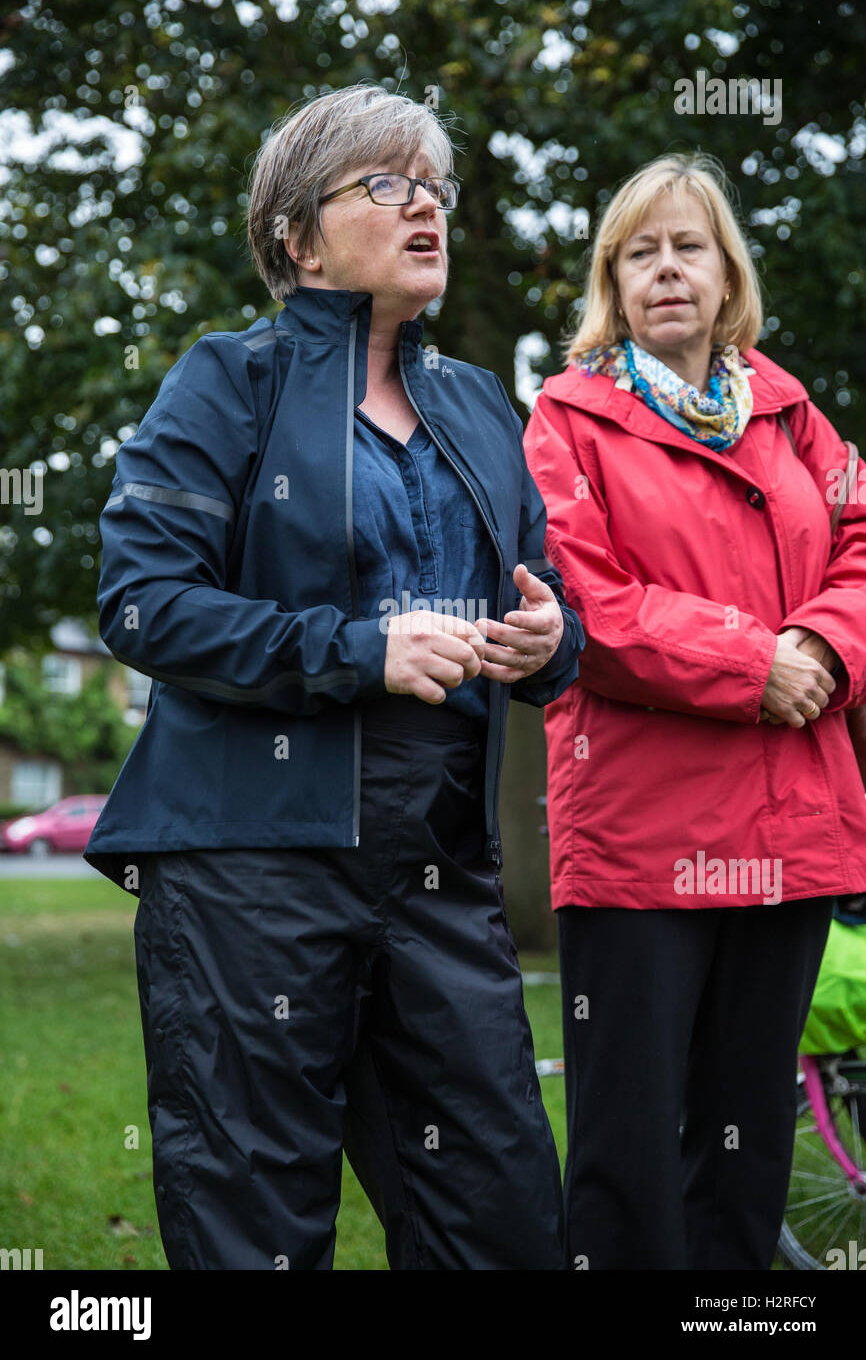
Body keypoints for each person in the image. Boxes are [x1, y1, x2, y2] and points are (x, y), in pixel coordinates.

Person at [83, 83, 585, 1270]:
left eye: (436, 186)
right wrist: (360, 650)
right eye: (386, 184)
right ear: (297, 239)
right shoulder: (228, 380)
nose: (426, 207)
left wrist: (545, 642)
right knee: (253, 1221)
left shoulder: (477, 403)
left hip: (437, 866)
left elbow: (549, 606)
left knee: (502, 1214)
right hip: (250, 863)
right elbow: (143, 599)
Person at [523, 152, 866, 1270]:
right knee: (626, 1151)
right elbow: (583, 597)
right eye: (640, 254)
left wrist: (821, 645)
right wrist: (753, 661)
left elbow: (861, 542)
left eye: (688, 247)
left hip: (790, 827)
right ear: (611, 285)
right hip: (640, 837)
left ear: (727, 276)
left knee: (747, 1142)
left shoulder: (791, 414)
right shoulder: (564, 422)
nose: (666, 269)